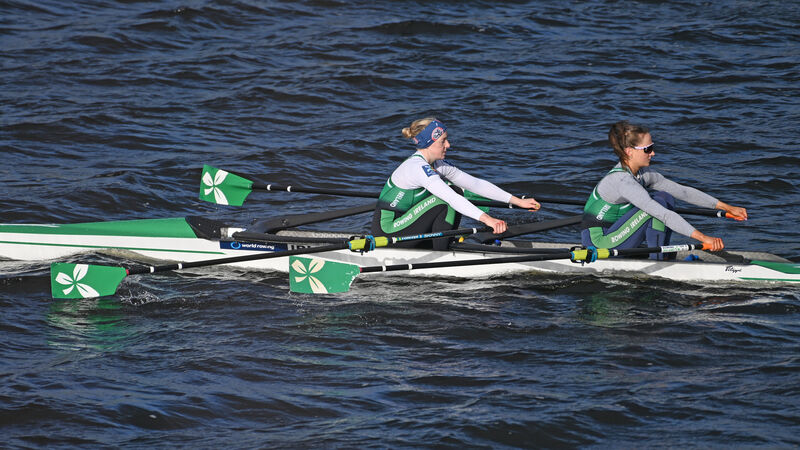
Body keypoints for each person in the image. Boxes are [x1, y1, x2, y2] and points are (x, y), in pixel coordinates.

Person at [581, 120, 748, 259]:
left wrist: (727, 208)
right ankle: (660, 261)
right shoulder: (622, 181)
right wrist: (704, 239)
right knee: (654, 209)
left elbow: (683, 192)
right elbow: (662, 214)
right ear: (629, 152)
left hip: (617, 233)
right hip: (599, 243)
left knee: (665, 197)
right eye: (647, 149)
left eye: (652, 147)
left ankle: (660, 257)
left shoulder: (642, 174)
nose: (653, 153)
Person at [371, 117, 541, 250]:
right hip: (388, 232)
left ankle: (441, 243)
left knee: (459, 189)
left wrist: (517, 201)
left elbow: (475, 184)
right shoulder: (416, 167)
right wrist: (488, 220)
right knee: (449, 195)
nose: (448, 145)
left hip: (407, 224)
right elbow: (450, 197)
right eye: (443, 141)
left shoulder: (437, 165)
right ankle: (442, 250)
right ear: (429, 143)